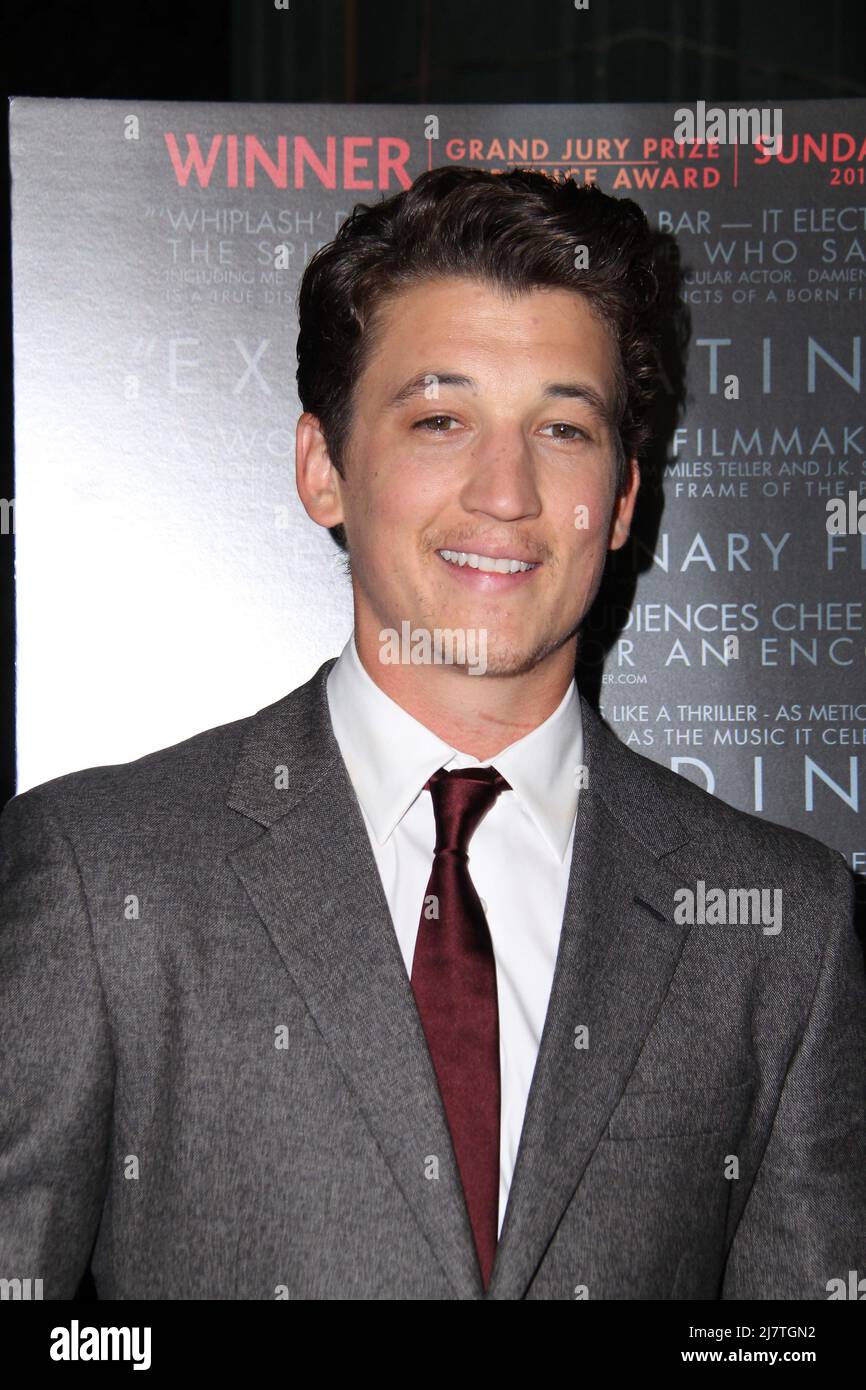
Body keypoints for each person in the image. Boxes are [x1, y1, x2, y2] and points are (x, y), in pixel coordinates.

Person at [1, 167, 864, 1301]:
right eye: (439, 419)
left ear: (617, 501)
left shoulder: (777, 930)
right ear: (324, 469)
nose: (503, 491)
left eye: (561, 427)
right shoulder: (98, 872)